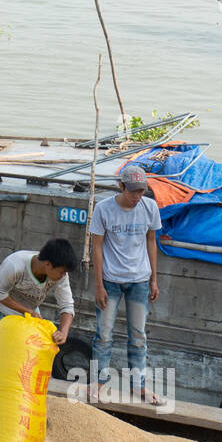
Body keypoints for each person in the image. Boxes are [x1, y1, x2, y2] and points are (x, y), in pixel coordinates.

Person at [0, 239, 77, 409]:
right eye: (62, 272)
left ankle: (26, 406)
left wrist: (63, 332)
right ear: (48, 264)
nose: (63, 276)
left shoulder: (59, 277)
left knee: (31, 359)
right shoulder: (15, 264)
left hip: (28, 313)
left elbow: (67, 306)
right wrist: (26, 310)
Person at [88, 165, 163, 405]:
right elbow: (96, 247)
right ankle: (98, 383)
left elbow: (152, 242)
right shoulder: (103, 209)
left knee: (138, 336)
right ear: (121, 187)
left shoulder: (150, 207)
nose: (137, 197)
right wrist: (98, 284)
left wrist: (154, 279)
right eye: (132, 191)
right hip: (110, 281)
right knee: (104, 335)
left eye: (141, 191)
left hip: (140, 280)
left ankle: (139, 387)